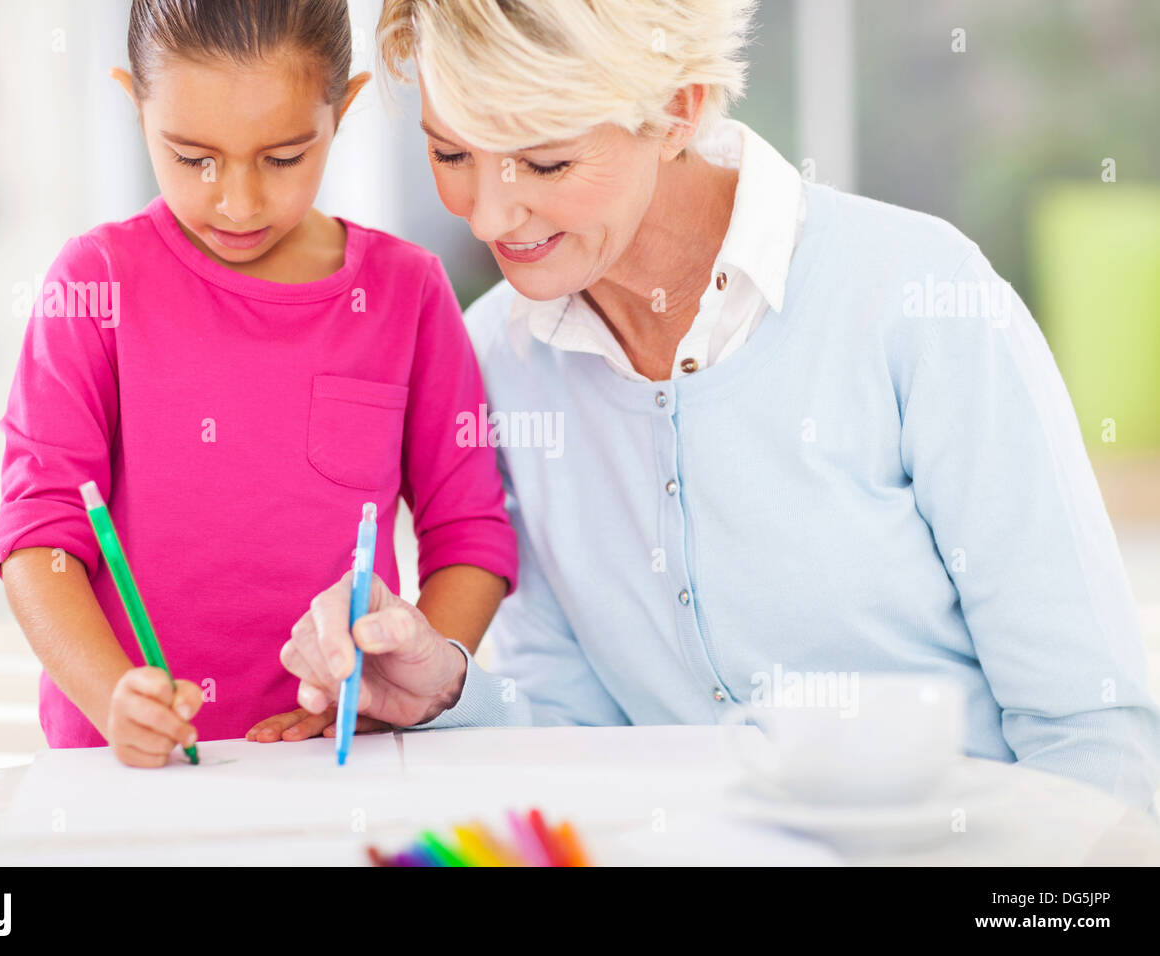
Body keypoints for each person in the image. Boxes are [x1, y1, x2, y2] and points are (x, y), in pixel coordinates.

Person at [280, 0, 1160, 810]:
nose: (489, 213)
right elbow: (574, 721)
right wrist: (438, 684)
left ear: (681, 110)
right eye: (450, 154)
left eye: (547, 159)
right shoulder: (499, 357)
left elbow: (1093, 731)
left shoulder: (920, 299)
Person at [0, 0, 516, 766]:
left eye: (282, 158)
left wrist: (395, 686)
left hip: (339, 767)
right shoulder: (94, 284)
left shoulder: (408, 294)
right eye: (193, 157)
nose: (236, 202)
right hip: (129, 772)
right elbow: (39, 536)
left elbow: (470, 536)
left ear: (345, 107)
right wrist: (112, 696)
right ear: (136, 106)